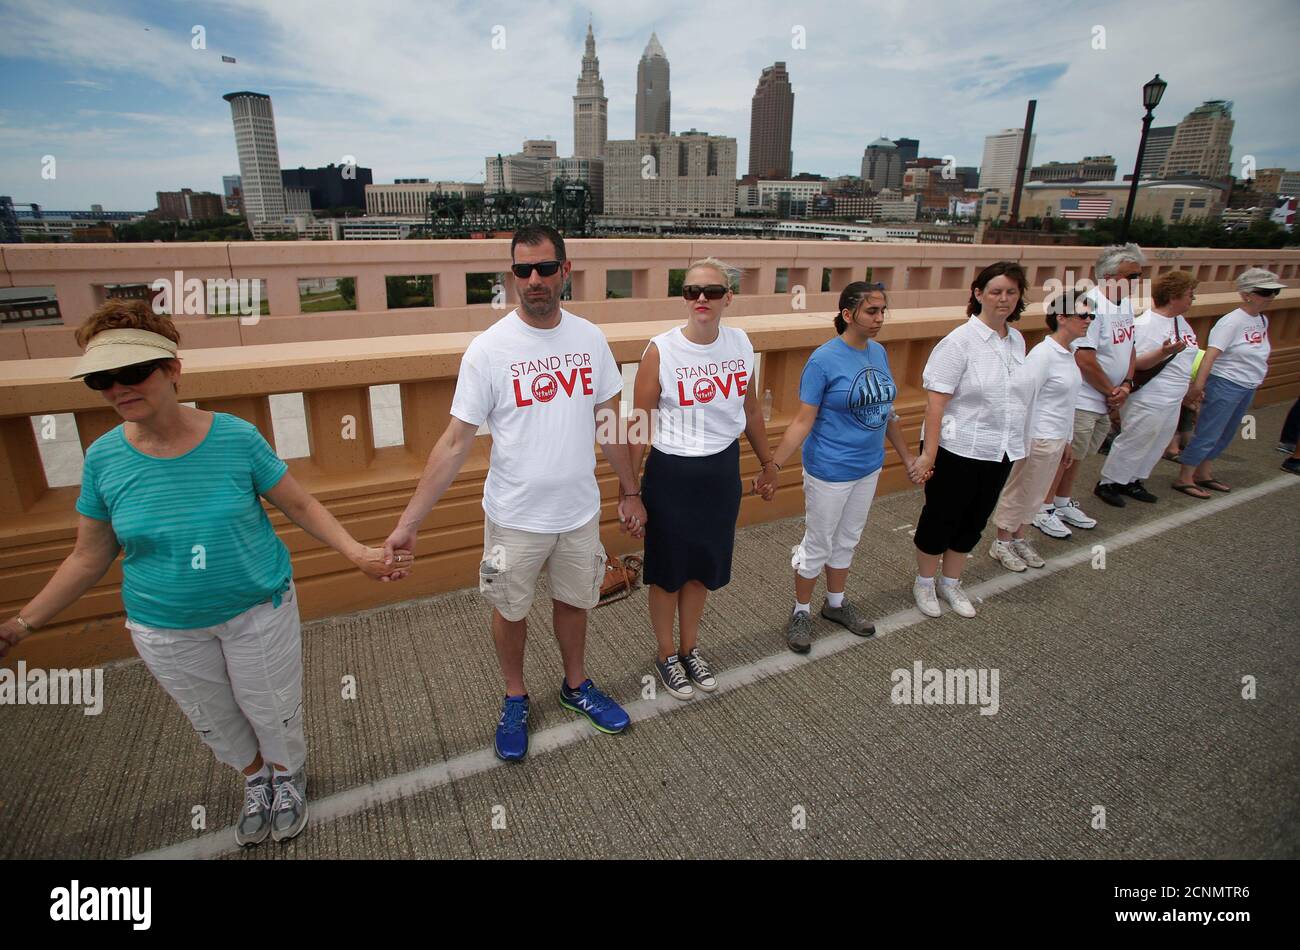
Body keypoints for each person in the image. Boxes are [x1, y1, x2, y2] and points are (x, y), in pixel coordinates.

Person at [0, 299, 408, 848]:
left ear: (171, 369)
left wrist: (357, 553)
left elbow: (301, 506)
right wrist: (22, 625)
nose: (119, 388)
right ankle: (255, 780)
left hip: (257, 610)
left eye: (133, 373)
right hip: (163, 627)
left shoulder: (235, 437)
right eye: (102, 379)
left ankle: (287, 778)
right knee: (213, 717)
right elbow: (88, 555)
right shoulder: (103, 460)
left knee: (272, 707)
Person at [381, 224, 644, 762]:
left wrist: (631, 490)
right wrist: (409, 522)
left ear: (565, 271)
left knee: (575, 602)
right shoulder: (489, 350)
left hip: (577, 513)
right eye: (522, 270)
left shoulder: (589, 339)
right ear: (511, 276)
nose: (534, 280)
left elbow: (609, 423)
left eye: (546, 268)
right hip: (514, 518)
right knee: (510, 608)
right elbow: (455, 441)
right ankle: (516, 697)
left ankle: (576, 686)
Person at [630, 258, 774, 698]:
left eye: (711, 292)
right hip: (673, 473)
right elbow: (639, 422)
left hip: (720, 471)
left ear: (728, 298)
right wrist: (629, 491)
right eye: (692, 291)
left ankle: (691, 649)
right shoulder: (661, 350)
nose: (701, 299)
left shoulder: (740, 342)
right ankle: (666, 654)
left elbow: (748, 409)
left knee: (701, 570)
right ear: (684, 298)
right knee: (667, 573)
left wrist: (768, 463)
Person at [759, 282, 922, 653]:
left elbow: (886, 412)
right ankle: (800, 611)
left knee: (848, 539)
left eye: (882, 310)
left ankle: (835, 604)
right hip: (830, 469)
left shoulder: (878, 353)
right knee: (818, 542)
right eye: (871, 311)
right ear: (848, 315)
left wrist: (907, 457)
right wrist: (774, 465)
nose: (879, 318)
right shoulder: (823, 360)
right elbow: (802, 420)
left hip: (868, 466)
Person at [910, 262, 1036, 618]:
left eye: (1012, 292)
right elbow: (936, 403)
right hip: (957, 449)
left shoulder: (1016, 339)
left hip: (1000, 449)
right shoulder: (958, 343)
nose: (1004, 299)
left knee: (975, 520)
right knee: (941, 517)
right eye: (996, 291)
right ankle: (924, 581)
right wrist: (928, 456)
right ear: (978, 294)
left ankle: (951, 581)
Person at [1039, 244, 1143, 524]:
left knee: (1080, 455)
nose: (1137, 282)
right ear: (1109, 277)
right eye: (1131, 276)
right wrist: (1112, 391)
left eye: (1138, 276)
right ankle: (1044, 507)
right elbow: (1085, 359)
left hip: (1107, 398)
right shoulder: (1091, 306)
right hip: (1085, 398)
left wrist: (1128, 384)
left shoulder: (1125, 307)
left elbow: (1130, 346)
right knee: (1066, 455)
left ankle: (1061, 502)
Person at [988, 293, 1092, 571]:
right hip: (1036, 436)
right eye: (1083, 315)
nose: (1088, 321)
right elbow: (1024, 398)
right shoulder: (1043, 355)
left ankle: (1019, 537)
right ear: (1061, 317)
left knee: (1036, 493)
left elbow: (1069, 402)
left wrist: (1068, 440)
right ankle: (1002, 541)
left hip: (1056, 437)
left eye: (1090, 316)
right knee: (1020, 489)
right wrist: (1024, 439)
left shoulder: (1069, 354)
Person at [1174, 267, 1282, 495]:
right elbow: (1211, 355)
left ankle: (1203, 472)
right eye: (1265, 292)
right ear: (1247, 294)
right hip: (1226, 382)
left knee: (1226, 431)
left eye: (1274, 293)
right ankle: (1186, 476)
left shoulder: (1261, 319)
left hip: (1247, 383)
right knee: (1208, 430)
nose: (1270, 297)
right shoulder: (1231, 322)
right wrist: (1198, 387)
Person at [1098, 270, 1201, 501]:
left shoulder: (1181, 322)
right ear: (1173, 296)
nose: (1192, 299)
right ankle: (1110, 482)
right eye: (1189, 294)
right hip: (1151, 395)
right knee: (1137, 437)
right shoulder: (1146, 323)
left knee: (1158, 439)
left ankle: (1133, 479)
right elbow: (1135, 362)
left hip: (1173, 396)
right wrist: (1163, 352)